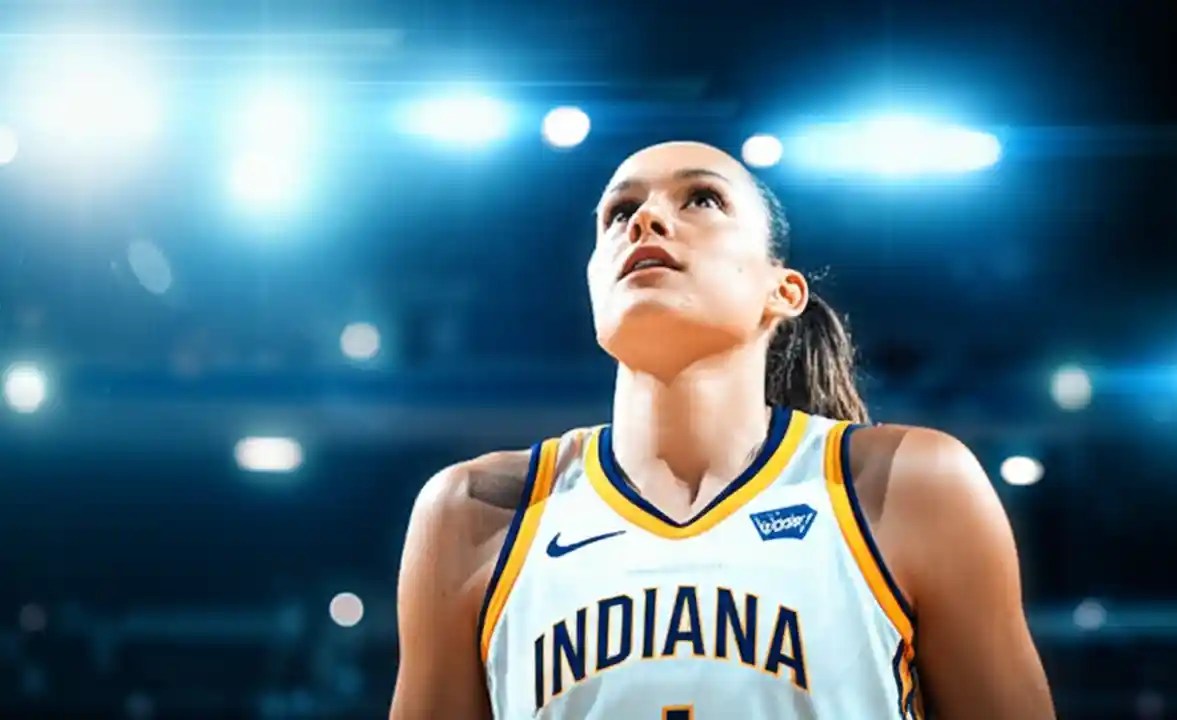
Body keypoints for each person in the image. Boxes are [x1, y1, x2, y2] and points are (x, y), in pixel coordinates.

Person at [390, 141, 1055, 719]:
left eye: (702, 200)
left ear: (784, 291)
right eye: (619, 214)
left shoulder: (911, 483)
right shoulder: (472, 512)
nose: (645, 220)